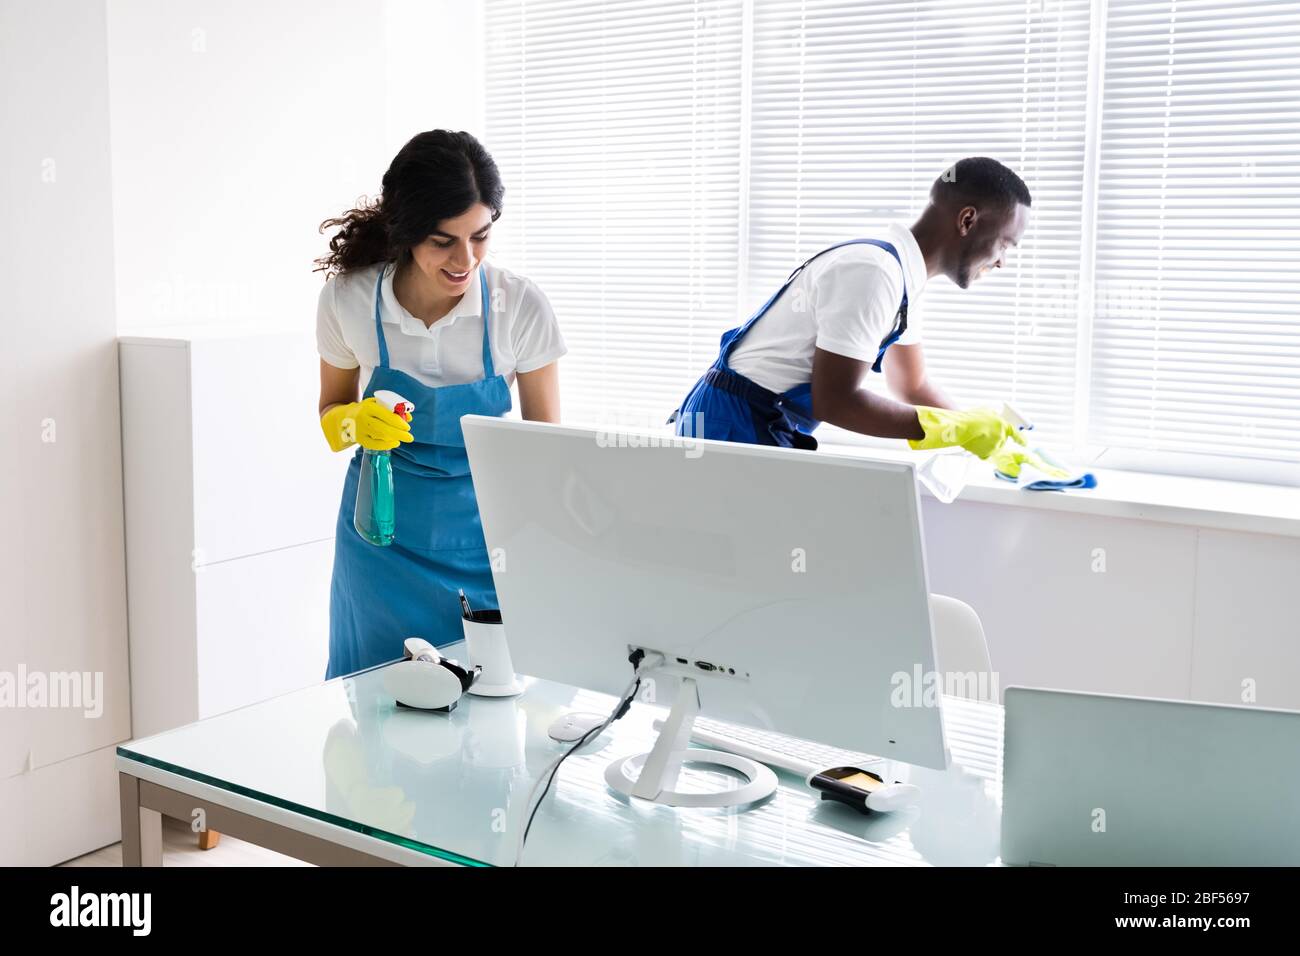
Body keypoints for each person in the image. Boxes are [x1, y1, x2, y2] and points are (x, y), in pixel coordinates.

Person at [314, 130, 565, 679]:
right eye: (442, 241)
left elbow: (548, 449)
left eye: (480, 236)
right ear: (406, 232)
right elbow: (332, 420)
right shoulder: (350, 299)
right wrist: (355, 421)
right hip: (379, 543)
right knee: (374, 708)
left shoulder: (517, 306)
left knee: (488, 710)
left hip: (486, 548)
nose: (464, 259)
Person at [672, 157, 1042, 466]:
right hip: (729, 422)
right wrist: (957, 429)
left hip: (750, 420)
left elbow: (911, 384)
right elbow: (836, 402)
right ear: (967, 221)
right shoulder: (875, 273)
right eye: (1006, 244)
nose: (1001, 263)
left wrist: (985, 438)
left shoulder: (901, 278)